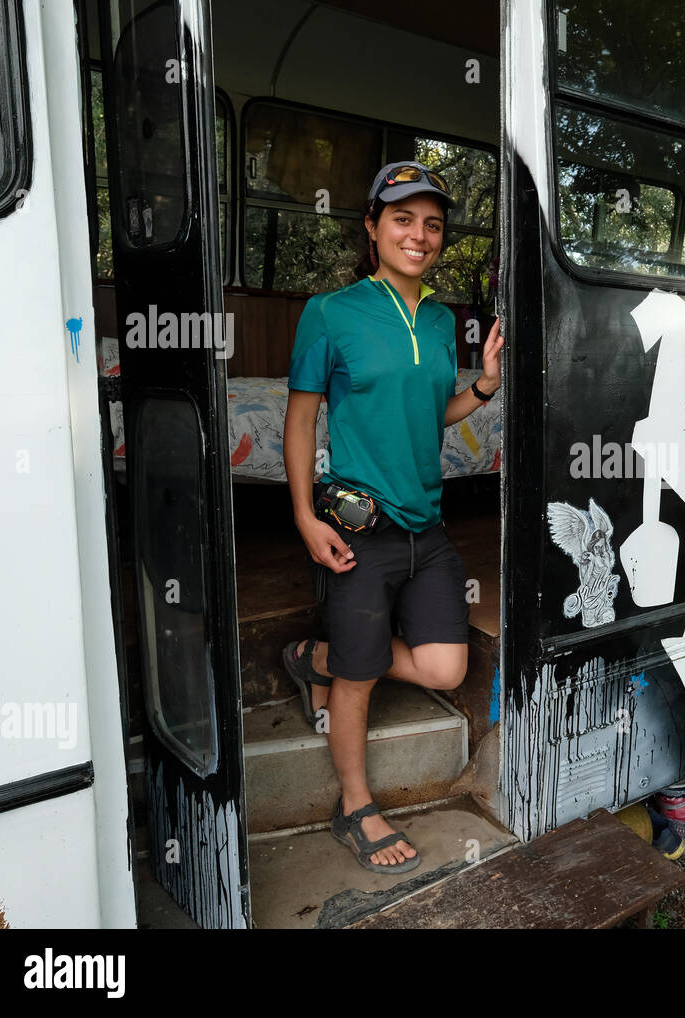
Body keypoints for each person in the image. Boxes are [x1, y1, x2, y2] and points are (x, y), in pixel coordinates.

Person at [281, 161, 503, 873]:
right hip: (357, 528)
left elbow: (430, 412)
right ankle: (356, 805)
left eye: (433, 223)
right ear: (372, 227)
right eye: (402, 218)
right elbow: (300, 419)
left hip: (426, 528)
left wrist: (485, 386)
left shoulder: (441, 322)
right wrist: (304, 519)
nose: (420, 233)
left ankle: (318, 656)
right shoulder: (331, 312)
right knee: (361, 678)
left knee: (445, 667)